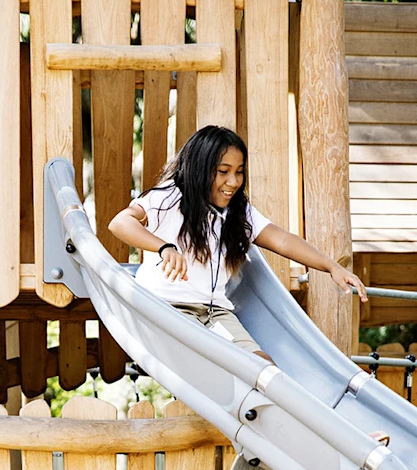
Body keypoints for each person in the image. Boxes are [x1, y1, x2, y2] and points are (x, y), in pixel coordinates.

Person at [108, 125, 367, 359]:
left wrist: (331, 266)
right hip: (167, 308)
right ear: (200, 168)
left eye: (239, 172)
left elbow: (281, 239)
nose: (233, 182)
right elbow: (120, 222)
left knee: (262, 367)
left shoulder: (237, 211)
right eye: (223, 172)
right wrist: (164, 248)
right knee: (219, 362)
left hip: (213, 314)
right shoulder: (170, 197)